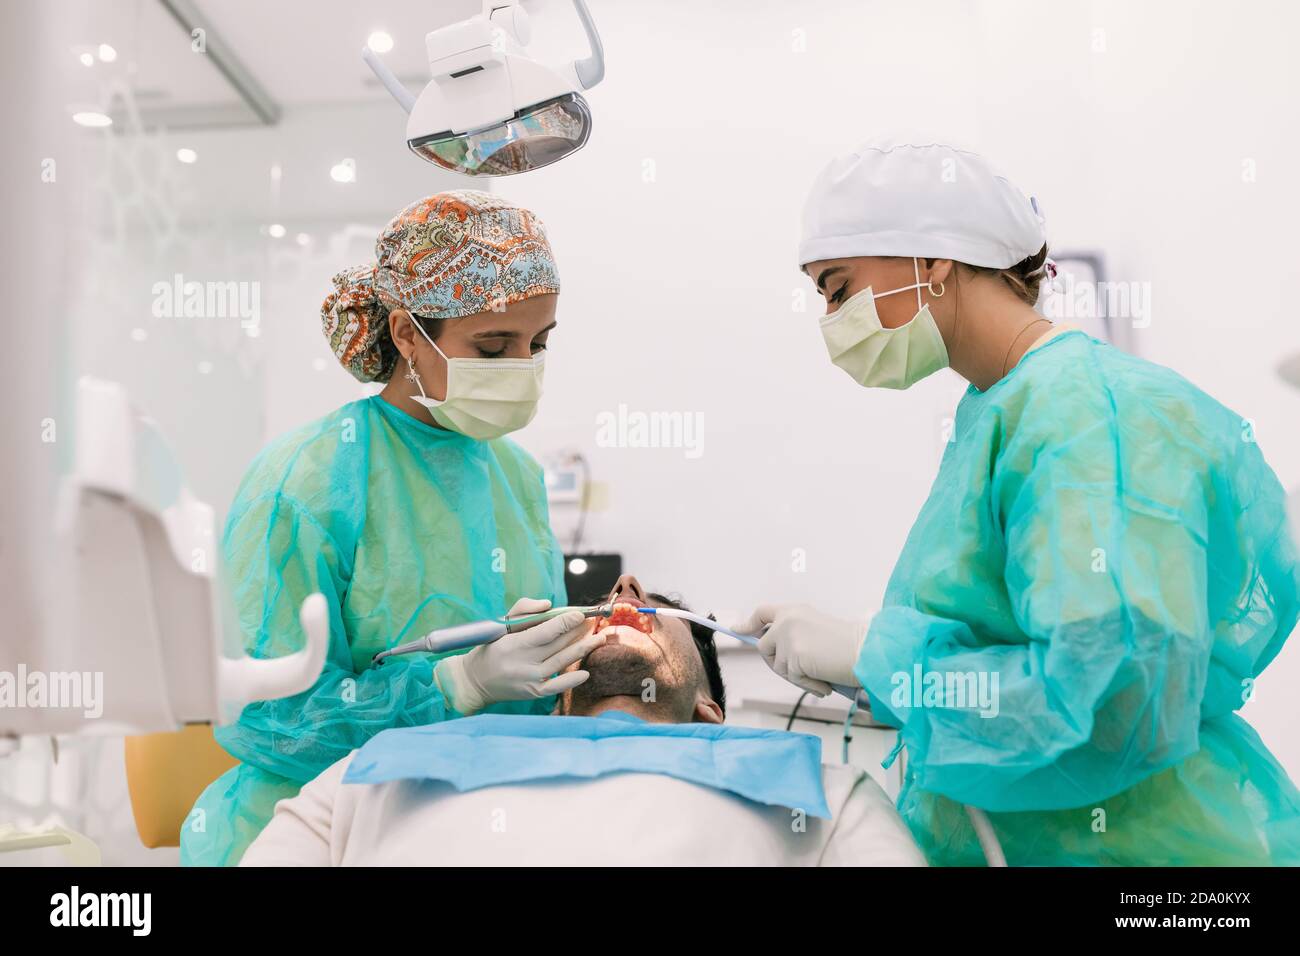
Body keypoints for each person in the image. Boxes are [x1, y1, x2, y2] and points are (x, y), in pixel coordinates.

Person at [737, 142, 1300, 866]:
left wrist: (879, 654)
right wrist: (867, 662)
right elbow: (1024, 646)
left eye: (838, 287)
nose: (831, 319)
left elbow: (1109, 701)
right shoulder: (1003, 408)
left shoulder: (1083, 416)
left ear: (932, 260)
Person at [182, 191, 605, 866]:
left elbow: (531, 687)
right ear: (408, 333)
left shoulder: (517, 477)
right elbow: (271, 720)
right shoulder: (307, 479)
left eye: (539, 342)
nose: (523, 366)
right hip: (314, 830)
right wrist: (454, 685)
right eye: (494, 346)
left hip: (470, 829)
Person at [239, 576, 925, 866]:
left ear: (710, 714)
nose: (624, 593)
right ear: (553, 693)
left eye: (652, 603)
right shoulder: (376, 771)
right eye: (608, 600)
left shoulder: (817, 793)